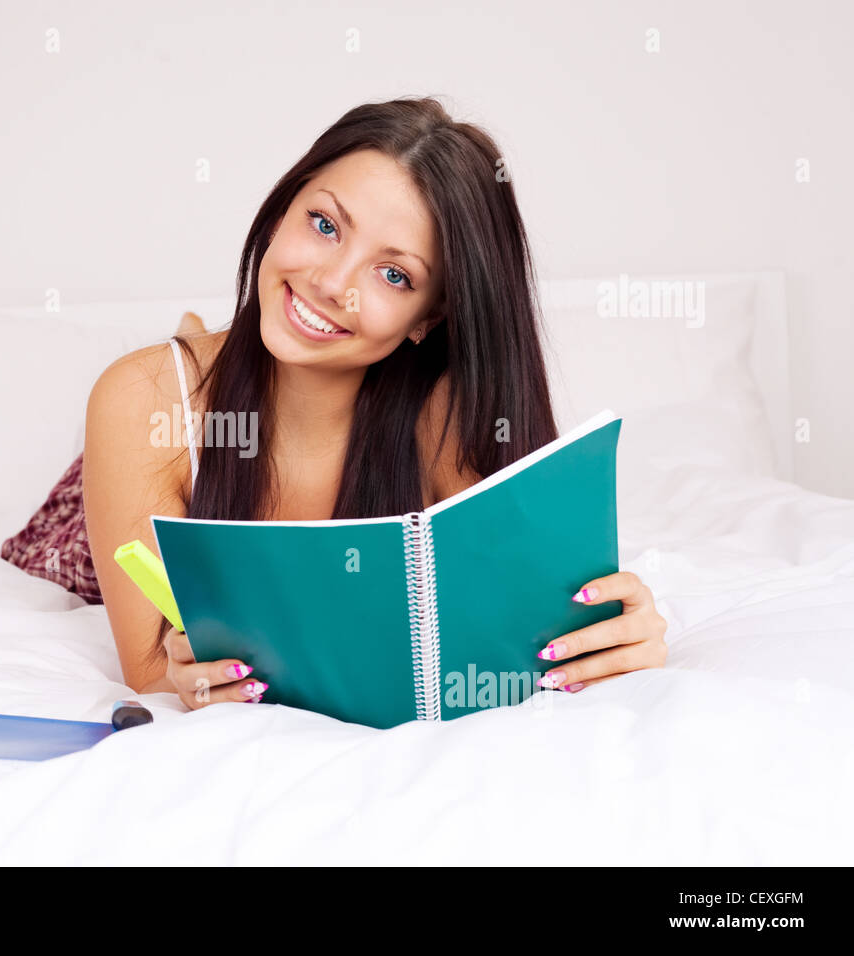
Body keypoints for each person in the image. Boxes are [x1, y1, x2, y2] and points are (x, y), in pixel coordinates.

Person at [83, 96, 667, 710]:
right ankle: (193, 327)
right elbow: (151, 671)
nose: (332, 285)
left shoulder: (449, 417)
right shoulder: (142, 402)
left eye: (394, 276)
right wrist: (184, 677)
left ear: (428, 318)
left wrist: (623, 643)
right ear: (286, 203)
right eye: (325, 224)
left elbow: (529, 639)